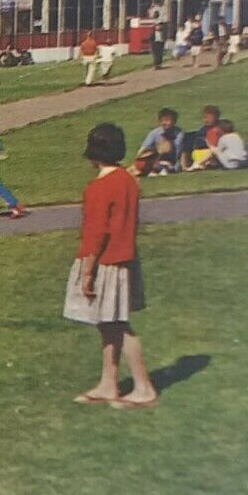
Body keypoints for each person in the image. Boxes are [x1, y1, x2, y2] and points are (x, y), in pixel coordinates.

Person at [65, 123, 156, 409]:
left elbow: (96, 233)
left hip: (105, 261)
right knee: (108, 323)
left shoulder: (98, 188)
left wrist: (88, 272)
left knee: (117, 323)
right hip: (126, 258)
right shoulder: (128, 180)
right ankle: (109, 382)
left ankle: (143, 387)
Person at [133, 108, 184, 177]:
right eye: (162, 121)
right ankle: (153, 170)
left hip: (170, 162)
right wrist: (137, 159)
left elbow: (179, 153)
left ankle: (158, 170)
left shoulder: (179, 134)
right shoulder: (154, 133)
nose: (164, 123)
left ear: (174, 122)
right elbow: (143, 148)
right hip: (155, 160)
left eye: (167, 120)